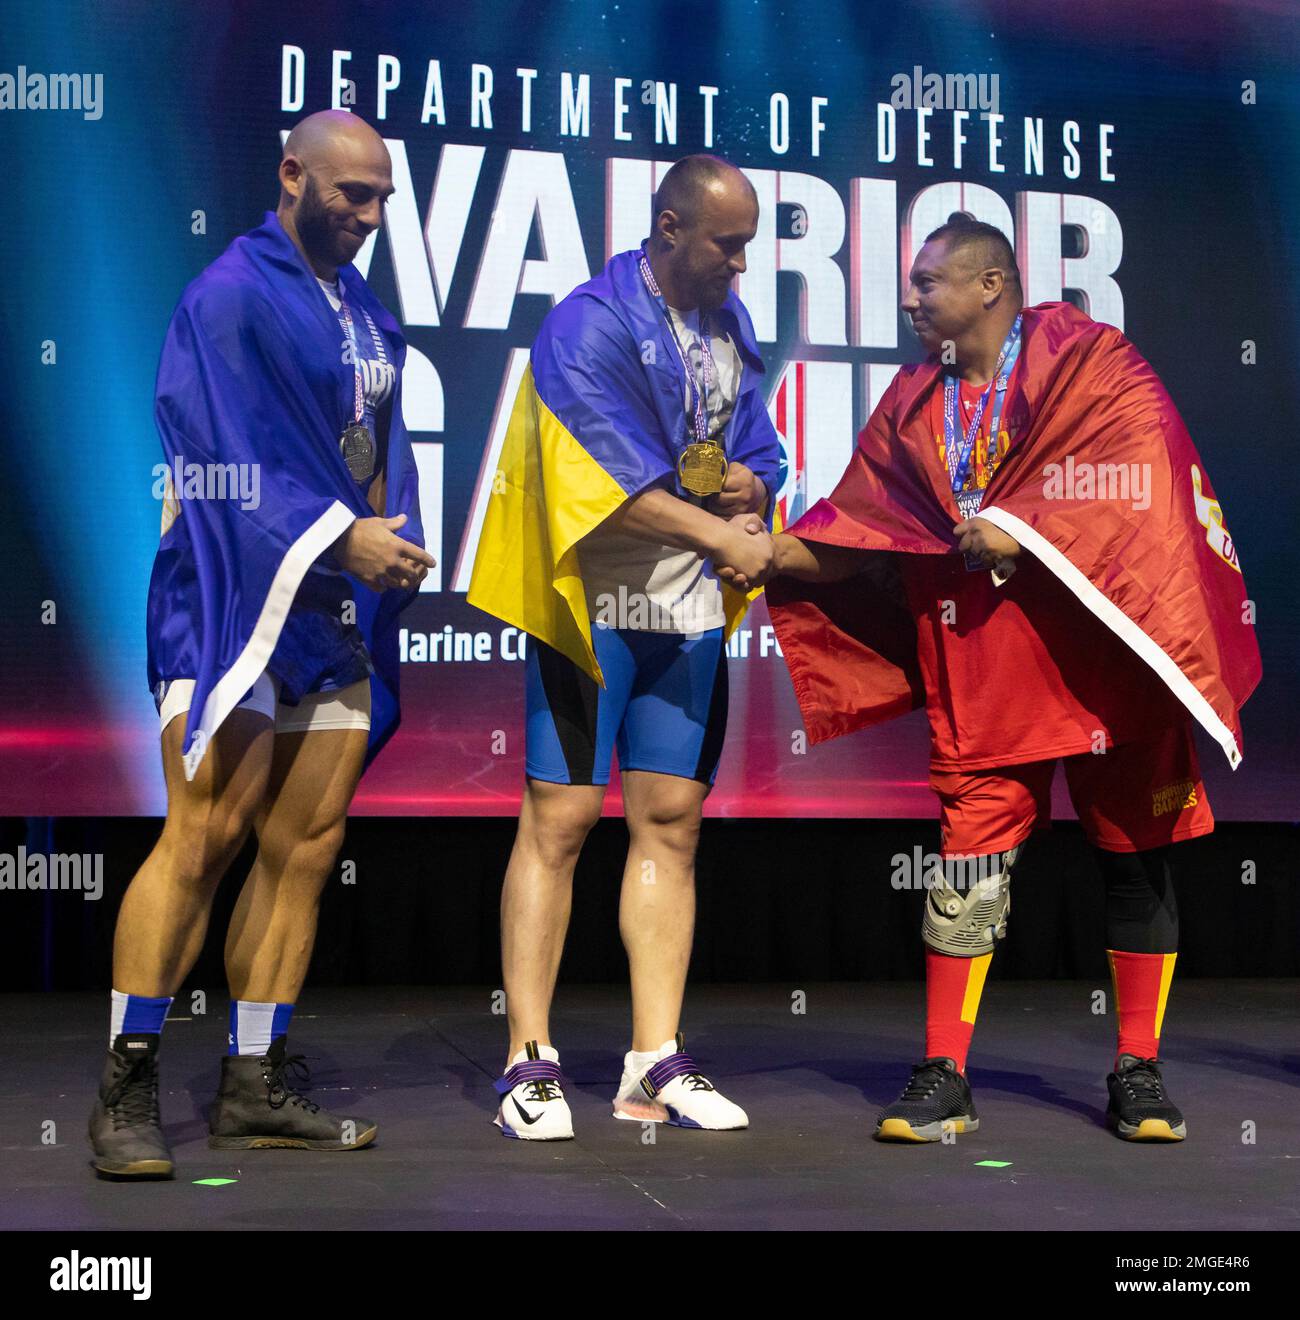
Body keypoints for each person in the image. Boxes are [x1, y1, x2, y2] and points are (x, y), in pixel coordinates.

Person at [759, 213, 1260, 1144]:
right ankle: (944, 1073)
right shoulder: (913, 400)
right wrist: (775, 554)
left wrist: (1021, 528)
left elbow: (1142, 469)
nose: (909, 301)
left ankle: (1138, 1071)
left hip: (1108, 667)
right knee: (968, 873)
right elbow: (866, 524)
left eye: (926, 284)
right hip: (985, 670)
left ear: (990, 285)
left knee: (1132, 859)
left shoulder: (1089, 358)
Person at [89, 110, 433, 1178]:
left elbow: (374, 450)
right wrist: (342, 533)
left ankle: (252, 1081)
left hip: (328, 612)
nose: (372, 217)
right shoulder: (227, 295)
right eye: (352, 195)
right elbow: (213, 451)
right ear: (292, 177)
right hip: (235, 599)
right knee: (206, 834)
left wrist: (392, 539)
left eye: (381, 197)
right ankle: (127, 1087)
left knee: (306, 847)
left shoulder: (365, 315)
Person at [468, 155, 781, 1139]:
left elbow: (760, 447)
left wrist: (750, 486)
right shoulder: (587, 324)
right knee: (558, 823)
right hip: (590, 608)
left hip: (682, 615)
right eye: (726, 245)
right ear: (669, 224)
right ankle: (528, 1057)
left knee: (671, 828)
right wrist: (724, 533)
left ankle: (652, 1060)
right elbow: (610, 483)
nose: (740, 264)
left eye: (746, 247)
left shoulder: (730, 326)